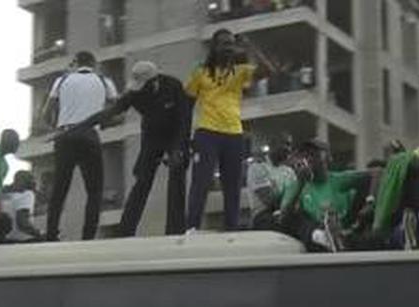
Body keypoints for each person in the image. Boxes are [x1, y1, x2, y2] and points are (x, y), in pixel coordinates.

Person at [66, 61, 192, 237]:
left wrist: (179, 148)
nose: (140, 91)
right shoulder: (134, 93)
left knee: (176, 179)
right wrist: (82, 125)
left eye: (144, 86)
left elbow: (185, 119)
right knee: (142, 181)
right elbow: (112, 111)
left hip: (176, 134)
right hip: (152, 135)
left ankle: (175, 230)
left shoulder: (173, 86)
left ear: (154, 81)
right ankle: (125, 231)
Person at [184, 29, 276, 233]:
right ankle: (191, 227)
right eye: (223, 44)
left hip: (234, 134)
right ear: (214, 47)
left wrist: (250, 46)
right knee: (201, 182)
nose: (228, 48)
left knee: (233, 186)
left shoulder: (241, 71)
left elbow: (268, 70)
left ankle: (231, 229)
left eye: (231, 44)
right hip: (207, 133)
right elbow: (187, 104)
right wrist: (185, 138)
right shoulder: (200, 72)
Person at [41, 51, 119, 241]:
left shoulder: (61, 80)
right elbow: (118, 111)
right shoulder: (104, 81)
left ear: (75, 63)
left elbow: (45, 114)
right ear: (94, 63)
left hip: (65, 135)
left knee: (60, 188)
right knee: (94, 190)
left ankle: (51, 234)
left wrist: (57, 127)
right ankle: (88, 236)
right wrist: (102, 121)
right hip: (90, 135)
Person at [363, 126, 419, 249]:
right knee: (417, 174)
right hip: (405, 214)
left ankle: (413, 234)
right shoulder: (407, 159)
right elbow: (412, 164)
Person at [276, 139, 374, 251]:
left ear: (327, 158)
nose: (308, 158)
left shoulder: (339, 179)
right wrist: (301, 183)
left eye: (313, 154)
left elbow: (376, 173)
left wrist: (369, 202)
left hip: (342, 225)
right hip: (313, 232)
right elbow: (283, 219)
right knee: (296, 218)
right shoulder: (297, 185)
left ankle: (338, 238)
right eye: (305, 154)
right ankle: (322, 237)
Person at [246, 136, 297, 231]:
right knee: (291, 224)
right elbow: (271, 201)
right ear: (272, 145)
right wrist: (293, 195)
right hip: (263, 215)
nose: (288, 149)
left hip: (286, 212)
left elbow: (298, 197)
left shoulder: (289, 171)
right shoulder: (257, 167)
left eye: (290, 145)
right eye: (284, 143)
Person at [0, 170, 44, 242]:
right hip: (22, 240)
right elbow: (22, 222)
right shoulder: (27, 194)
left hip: (3, 239)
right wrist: (40, 234)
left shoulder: (3, 195)